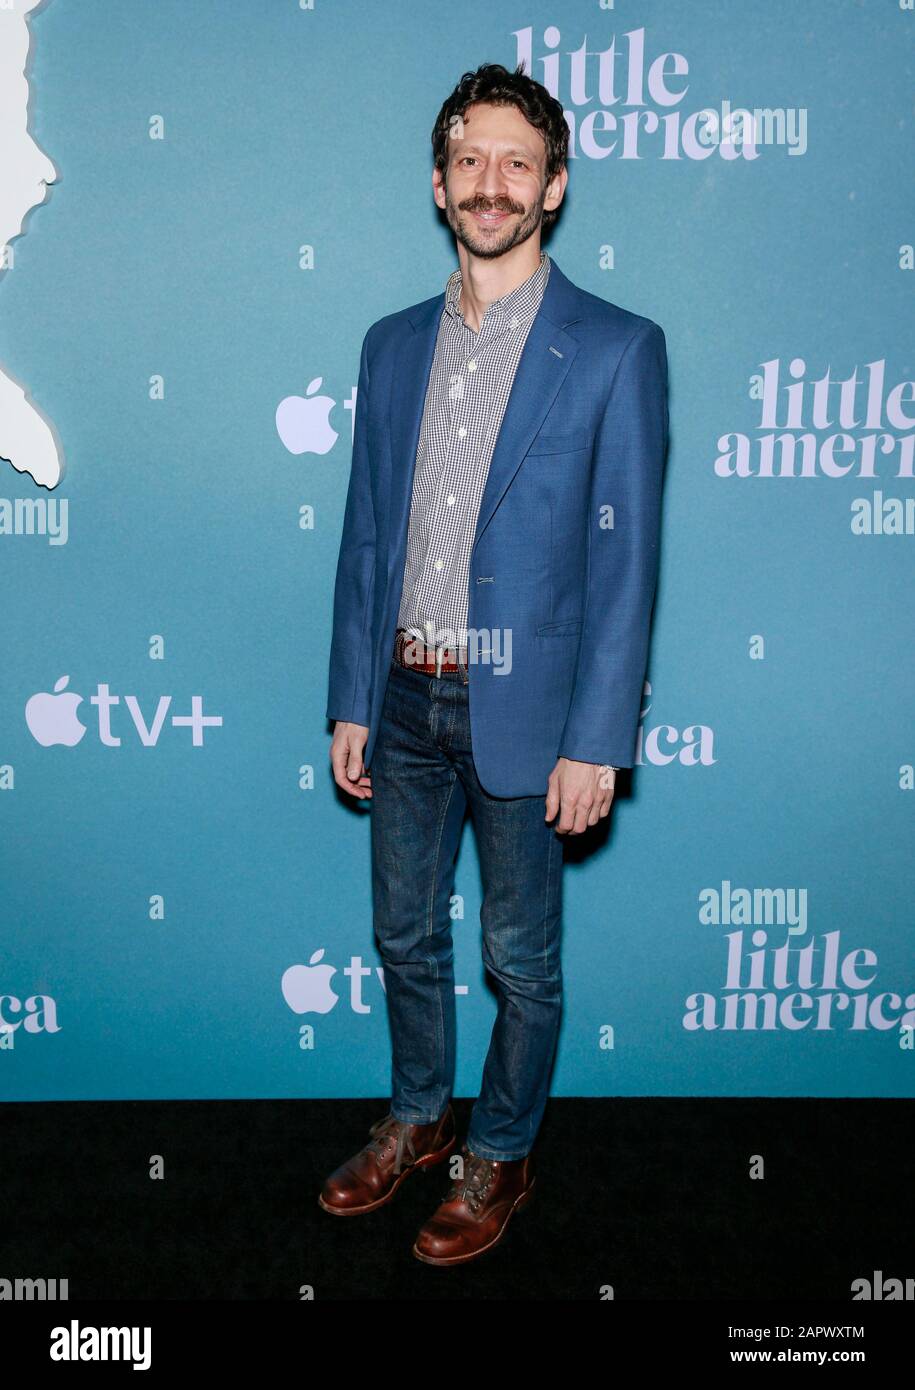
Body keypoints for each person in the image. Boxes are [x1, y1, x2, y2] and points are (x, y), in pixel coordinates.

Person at [321, 61, 669, 1267]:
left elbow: (627, 567)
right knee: (403, 936)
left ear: (555, 187)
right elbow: (370, 533)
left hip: (530, 709)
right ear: (438, 180)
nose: (491, 181)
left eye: (518, 161)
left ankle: (500, 1152)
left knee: (519, 959)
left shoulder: (619, 350)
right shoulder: (391, 344)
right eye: (470, 158)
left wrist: (599, 736)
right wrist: (351, 698)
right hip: (404, 694)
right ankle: (421, 1117)